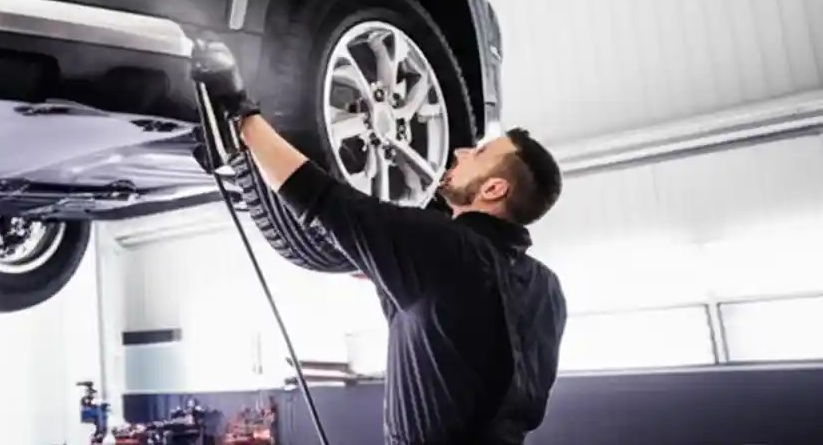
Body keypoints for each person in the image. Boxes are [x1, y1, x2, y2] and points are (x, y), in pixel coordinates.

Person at [191, 41, 567, 445]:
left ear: (494, 188)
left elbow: (319, 197)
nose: (459, 151)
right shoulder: (546, 288)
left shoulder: (448, 251)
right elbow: (459, 332)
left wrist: (237, 110)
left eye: (478, 152)